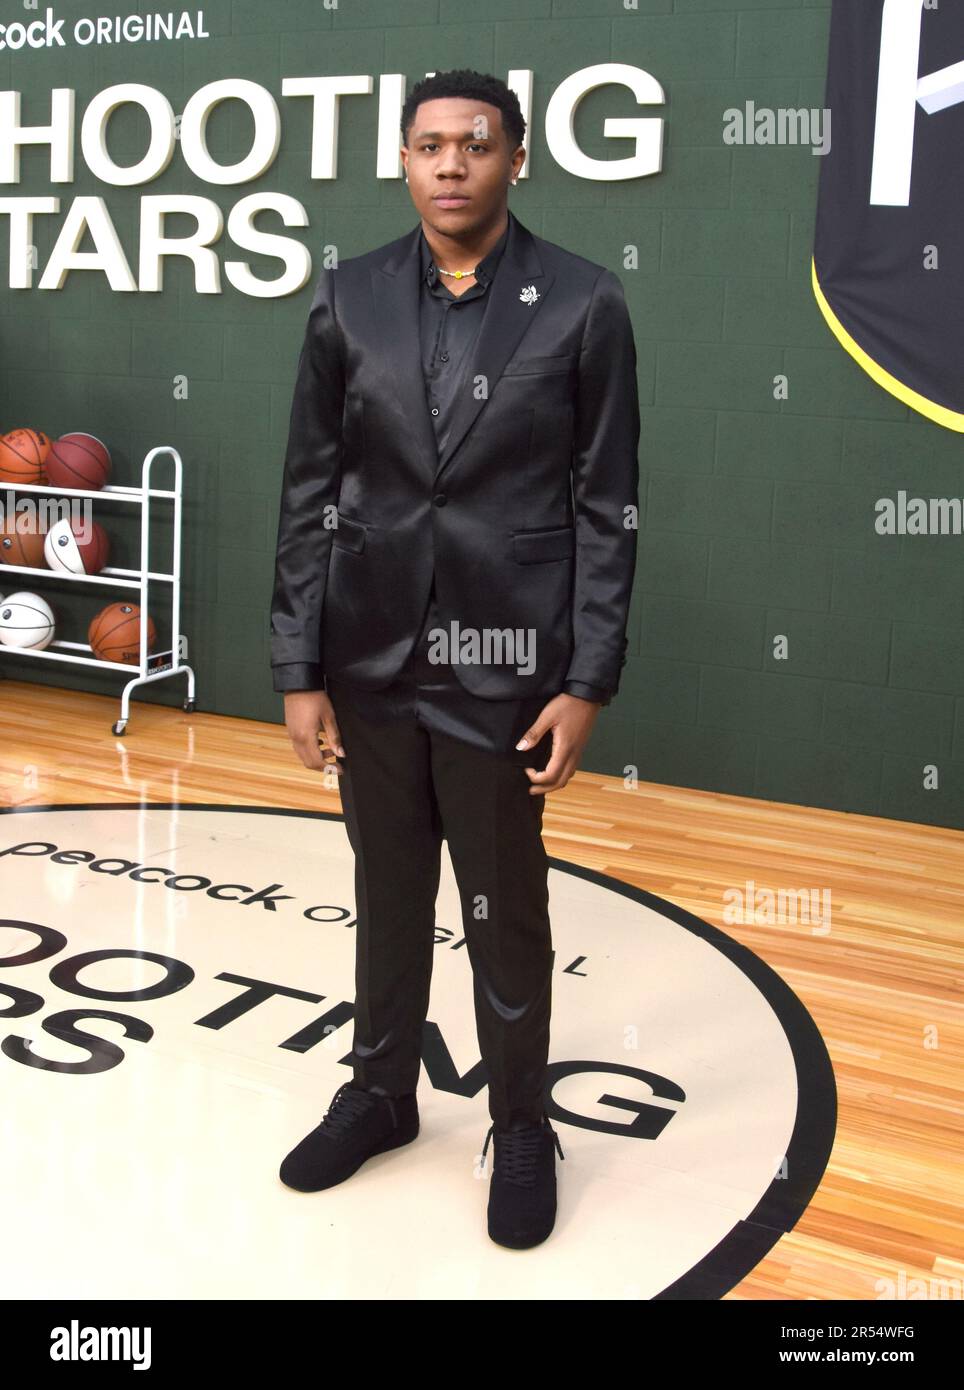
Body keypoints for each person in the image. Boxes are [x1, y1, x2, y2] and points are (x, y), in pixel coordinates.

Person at [269, 68, 640, 1249]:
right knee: (387, 888)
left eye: (473, 144)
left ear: (515, 158)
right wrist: (297, 662)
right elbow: (310, 488)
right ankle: (382, 1092)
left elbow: (606, 505)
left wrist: (586, 679)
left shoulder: (583, 304)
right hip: (370, 652)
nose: (449, 164)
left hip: (505, 661)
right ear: (403, 160)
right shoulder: (347, 297)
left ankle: (520, 1120)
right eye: (427, 144)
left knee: (503, 905)